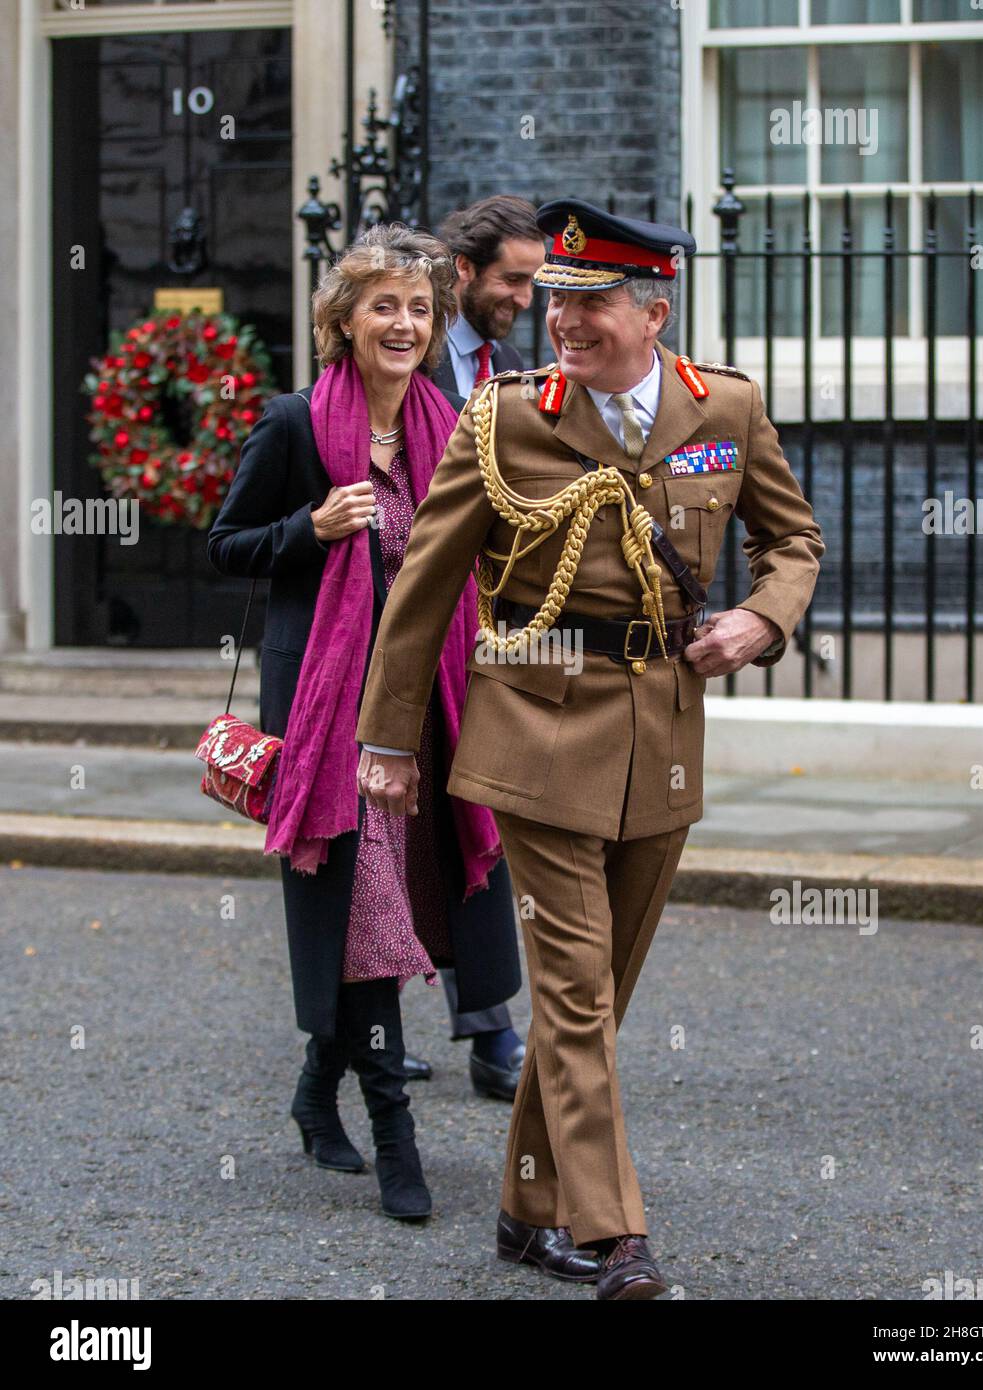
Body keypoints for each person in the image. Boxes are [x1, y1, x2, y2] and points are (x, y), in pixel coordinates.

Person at [352, 198, 825, 1297]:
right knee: (571, 995)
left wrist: (764, 616)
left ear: (652, 310)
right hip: (534, 729)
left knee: (596, 999)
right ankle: (615, 1234)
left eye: (591, 304)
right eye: (553, 302)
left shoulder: (728, 409)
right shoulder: (502, 417)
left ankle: (524, 1210)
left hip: (660, 734)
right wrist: (387, 736)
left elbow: (790, 537)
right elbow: (424, 580)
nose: (562, 324)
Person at [206, 223, 521, 1223]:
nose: (402, 321)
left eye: (417, 307)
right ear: (342, 319)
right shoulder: (296, 424)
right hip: (328, 714)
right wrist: (310, 528)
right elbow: (225, 545)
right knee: (368, 915)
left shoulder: (455, 426)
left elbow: (487, 548)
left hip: (429, 712)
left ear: (434, 328)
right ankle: (396, 1135)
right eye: (381, 303)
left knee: (393, 907)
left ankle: (314, 1093)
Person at [397, 196, 544, 1102]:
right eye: (514, 281)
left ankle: (490, 1029)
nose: (528, 299)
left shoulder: (514, 369)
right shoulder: (406, 355)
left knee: (477, 821)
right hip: (407, 628)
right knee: (388, 834)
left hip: (486, 634)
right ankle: (370, 1029)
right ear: (464, 272)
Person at [432, 195, 545, 405]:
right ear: (465, 267)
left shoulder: (512, 363)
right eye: (513, 279)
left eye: (532, 283)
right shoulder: (416, 354)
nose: (526, 300)